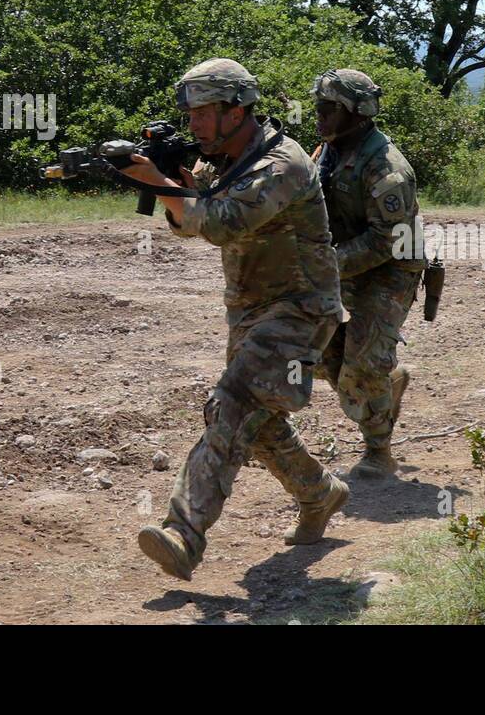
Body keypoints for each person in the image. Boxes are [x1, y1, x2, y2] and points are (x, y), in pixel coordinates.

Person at [123, 58, 348, 581]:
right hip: (251, 309)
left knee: (231, 405)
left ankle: (184, 531)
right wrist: (157, 175)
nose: (193, 124)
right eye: (190, 113)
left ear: (236, 109)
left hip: (301, 309)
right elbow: (188, 219)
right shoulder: (225, 159)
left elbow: (221, 224)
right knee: (259, 420)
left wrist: (157, 182)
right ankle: (320, 493)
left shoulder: (282, 165)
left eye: (202, 113)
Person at [310, 69, 425, 479]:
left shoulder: (386, 167)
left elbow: (389, 240)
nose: (318, 116)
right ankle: (386, 387)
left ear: (355, 113)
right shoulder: (331, 150)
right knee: (325, 355)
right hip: (344, 261)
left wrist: (325, 265)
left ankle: (379, 449)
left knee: (361, 367)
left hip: (391, 270)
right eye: (318, 106)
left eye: (327, 109)